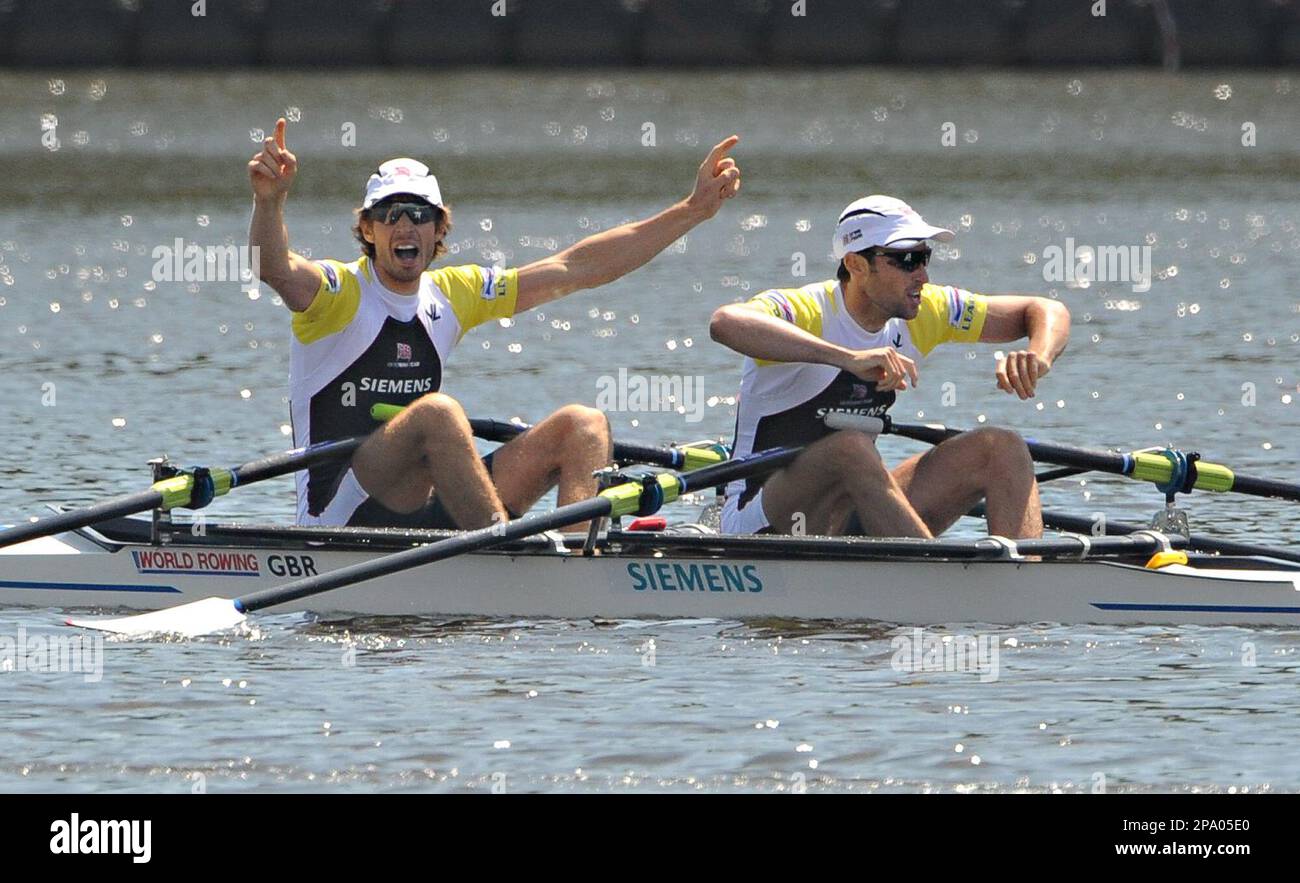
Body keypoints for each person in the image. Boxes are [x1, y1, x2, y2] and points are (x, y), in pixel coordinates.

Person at [248, 118, 741, 529]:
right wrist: (269, 202)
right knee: (438, 414)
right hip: (341, 516)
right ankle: (510, 552)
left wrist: (693, 210)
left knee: (583, 426)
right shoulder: (337, 292)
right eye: (390, 213)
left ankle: (573, 567)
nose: (405, 225)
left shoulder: (453, 294)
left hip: (427, 506)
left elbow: (577, 268)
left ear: (438, 229)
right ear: (368, 229)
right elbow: (275, 268)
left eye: (420, 213)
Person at [708, 195, 1070, 539]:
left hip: (850, 510)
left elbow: (1042, 309)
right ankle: (932, 580)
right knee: (849, 448)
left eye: (924, 257)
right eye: (906, 260)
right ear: (856, 264)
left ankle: (1022, 580)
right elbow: (725, 322)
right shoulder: (806, 310)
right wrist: (846, 358)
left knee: (1002, 447)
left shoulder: (926, 309)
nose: (923, 276)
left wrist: (1039, 356)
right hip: (760, 516)